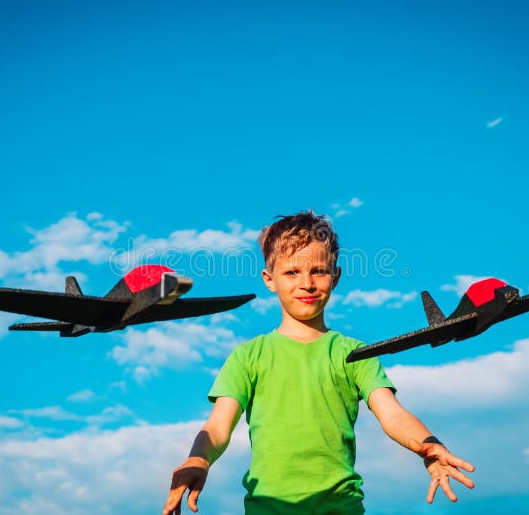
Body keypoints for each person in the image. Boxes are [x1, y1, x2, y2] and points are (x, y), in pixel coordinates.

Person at [163, 211, 474, 514]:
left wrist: (428, 444)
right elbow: (218, 428)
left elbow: (392, 414)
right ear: (270, 279)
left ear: (335, 277)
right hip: (268, 509)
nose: (307, 283)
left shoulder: (353, 353)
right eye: (292, 272)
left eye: (319, 271)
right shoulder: (248, 356)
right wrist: (198, 459)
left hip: (342, 508)